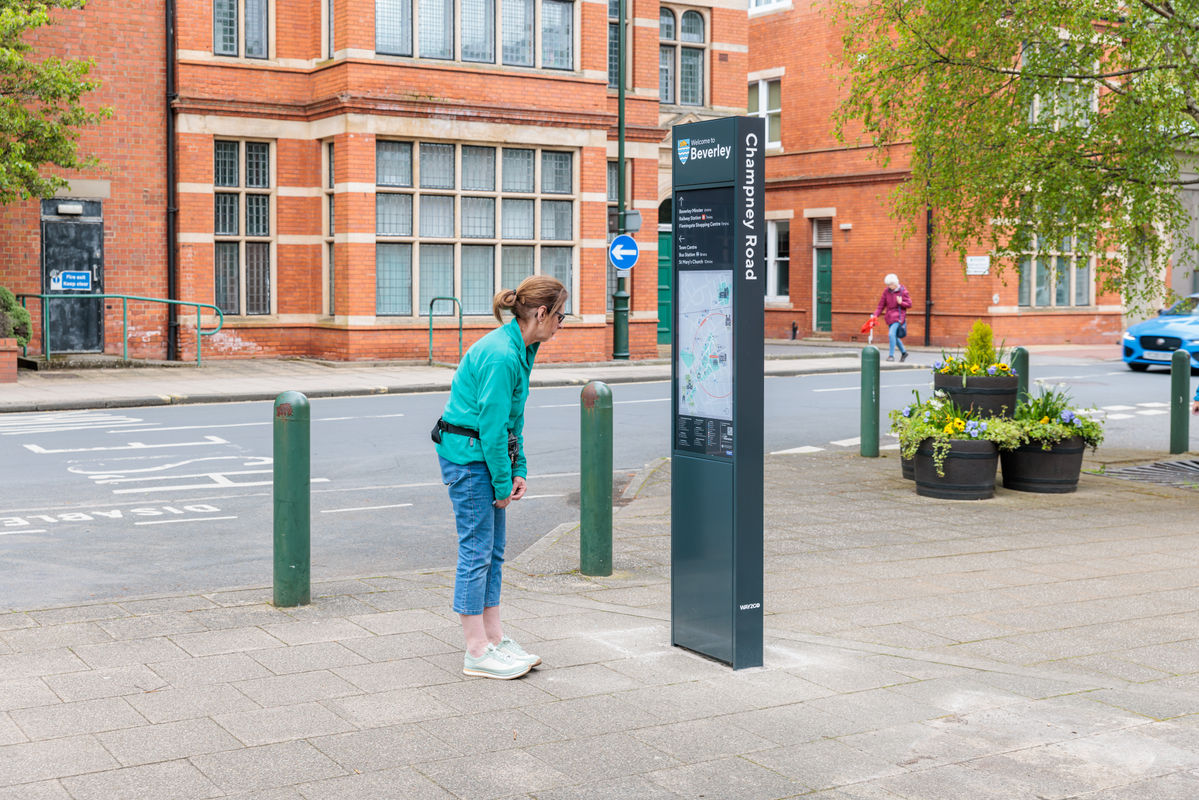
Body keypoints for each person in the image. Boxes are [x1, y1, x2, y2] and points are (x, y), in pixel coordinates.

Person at [433, 275, 567, 680]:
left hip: (484, 457)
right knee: (476, 552)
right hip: (470, 460)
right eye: (561, 315)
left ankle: (493, 638)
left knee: (492, 552)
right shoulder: (502, 356)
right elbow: (491, 430)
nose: (563, 323)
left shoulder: (523, 347)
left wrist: (518, 469)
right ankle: (476, 650)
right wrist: (502, 480)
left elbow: (513, 418)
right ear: (541, 313)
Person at [872, 273, 912, 362]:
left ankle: (891, 356)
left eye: (891, 284)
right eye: (888, 285)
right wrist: (875, 316)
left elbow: (909, 304)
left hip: (898, 317)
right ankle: (904, 353)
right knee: (893, 336)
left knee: (891, 334)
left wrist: (901, 302)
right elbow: (880, 306)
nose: (889, 286)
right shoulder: (886, 291)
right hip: (889, 317)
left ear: (895, 283)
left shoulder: (903, 291)